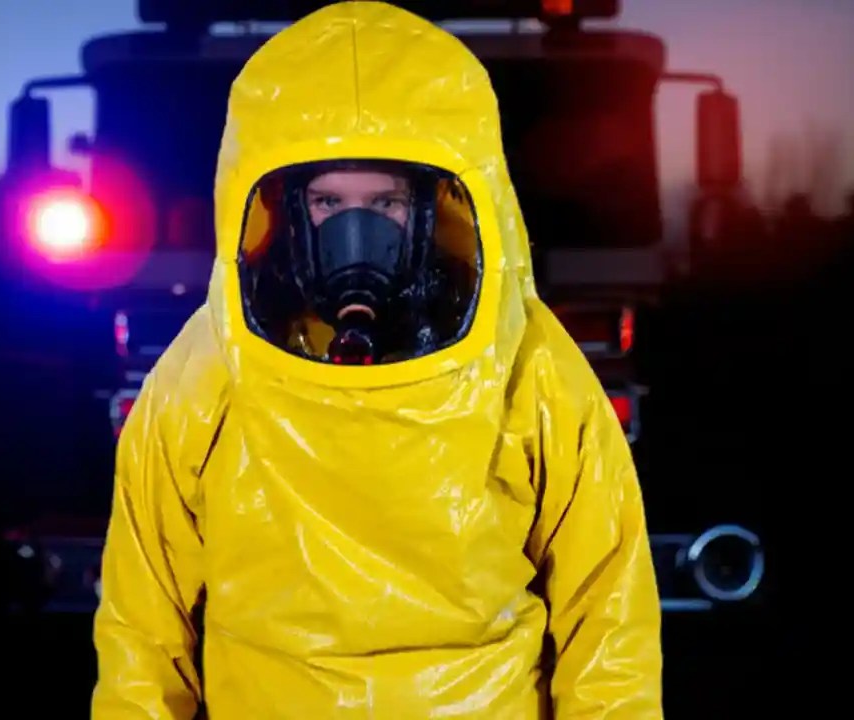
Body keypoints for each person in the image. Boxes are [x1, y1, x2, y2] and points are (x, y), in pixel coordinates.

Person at [90, 3, 663, 718]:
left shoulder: (527, 366)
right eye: (330, 200)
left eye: (385, 202)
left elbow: (605, 615)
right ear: (284, 209)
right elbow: (144, 629)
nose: (355, 231)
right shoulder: (208, 371)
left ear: (435, 209)